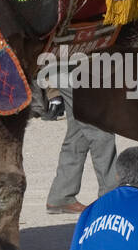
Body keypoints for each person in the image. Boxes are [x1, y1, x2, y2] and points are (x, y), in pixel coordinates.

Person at [45, 87, 118, 215]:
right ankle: (111, 199)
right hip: (76, 74)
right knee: (101, 129)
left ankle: (62, 195)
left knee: (78, 134)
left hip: (69, 73)